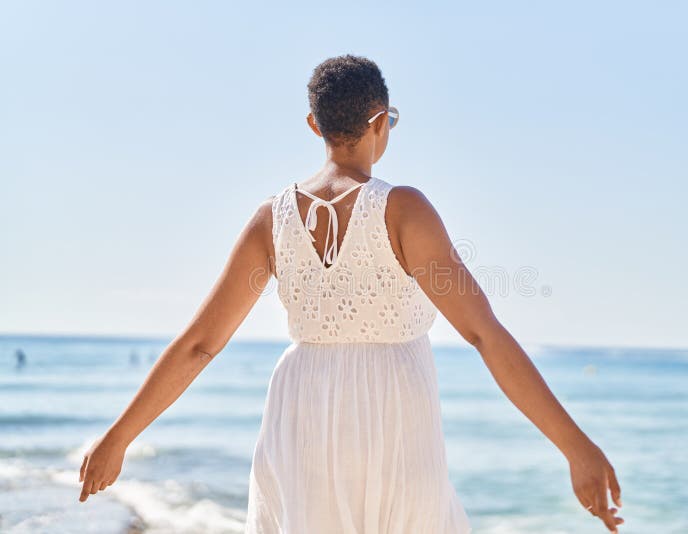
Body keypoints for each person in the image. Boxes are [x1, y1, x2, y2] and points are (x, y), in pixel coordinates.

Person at [77, 54, 624, 533]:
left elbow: (201, 343)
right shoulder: (404, 209)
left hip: (301, 414)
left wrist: (118, 439)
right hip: (392, 415)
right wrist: (576, 447)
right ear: (381, 122)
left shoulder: (270, 219)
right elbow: (483, 334)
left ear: (315, 124)